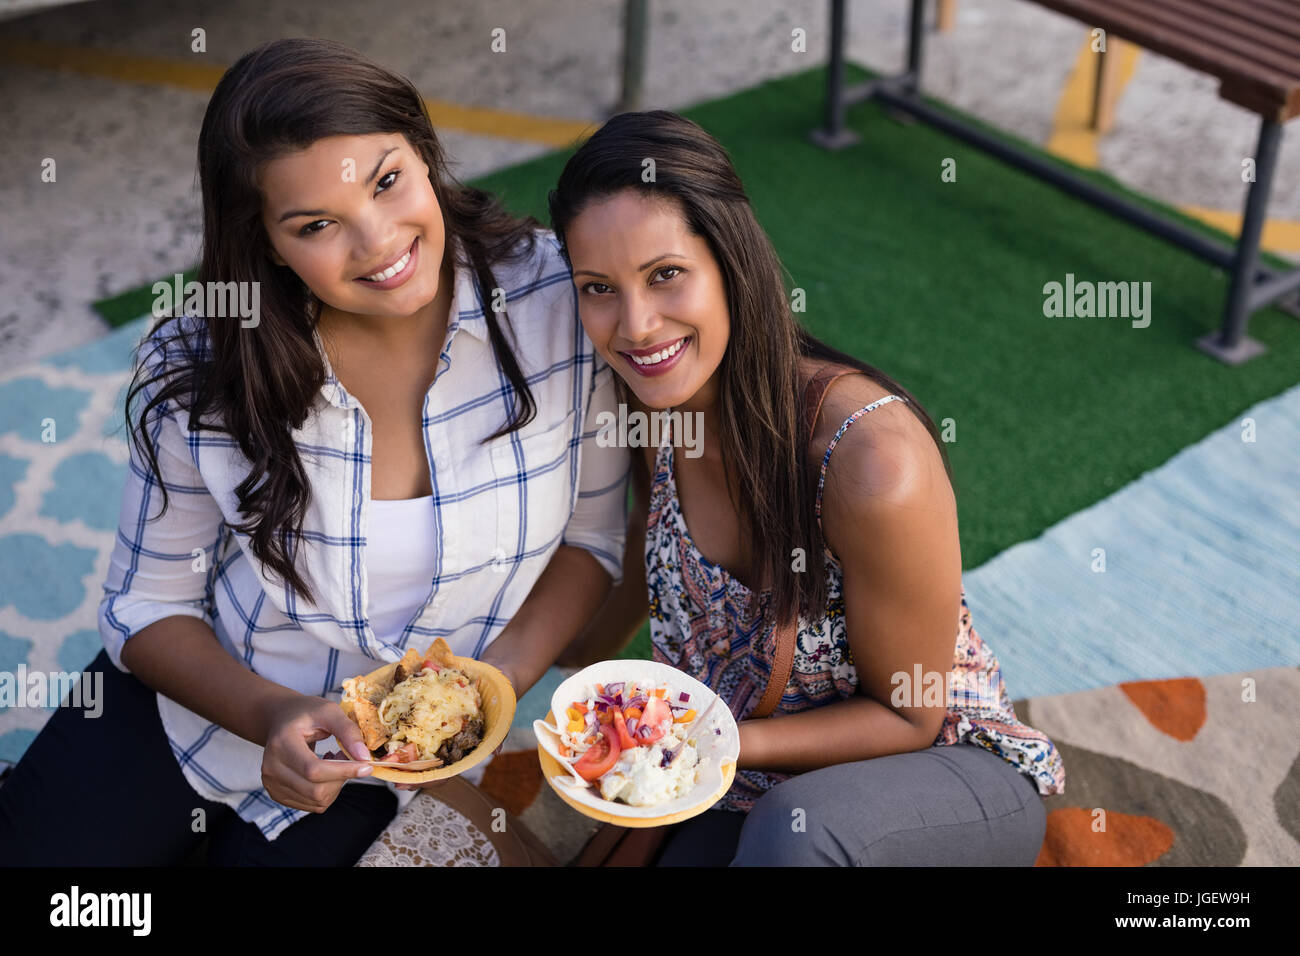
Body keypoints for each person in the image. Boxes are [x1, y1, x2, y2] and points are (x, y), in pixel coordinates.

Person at [0, 38, 627, 866]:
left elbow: (593, 539)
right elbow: (145, 608)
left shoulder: (559, 301)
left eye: (388, 180)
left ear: (425, 153)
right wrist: (272, 716)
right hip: (199, 705)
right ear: (264, 242)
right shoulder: (201, 368)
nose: (377, 243)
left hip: (375, 774)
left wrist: (489, 689)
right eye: (316, 225)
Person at [549, 110, 1066, 866]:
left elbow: (906, 715)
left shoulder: (872, 463)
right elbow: (647, 544)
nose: (636, 324)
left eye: (665, 275)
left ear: (731, 263)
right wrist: (557, 677)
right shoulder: (647, 398)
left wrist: (700, 743)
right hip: (750, 769)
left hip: (942, 774)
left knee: (797, 834)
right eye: (599, 287)